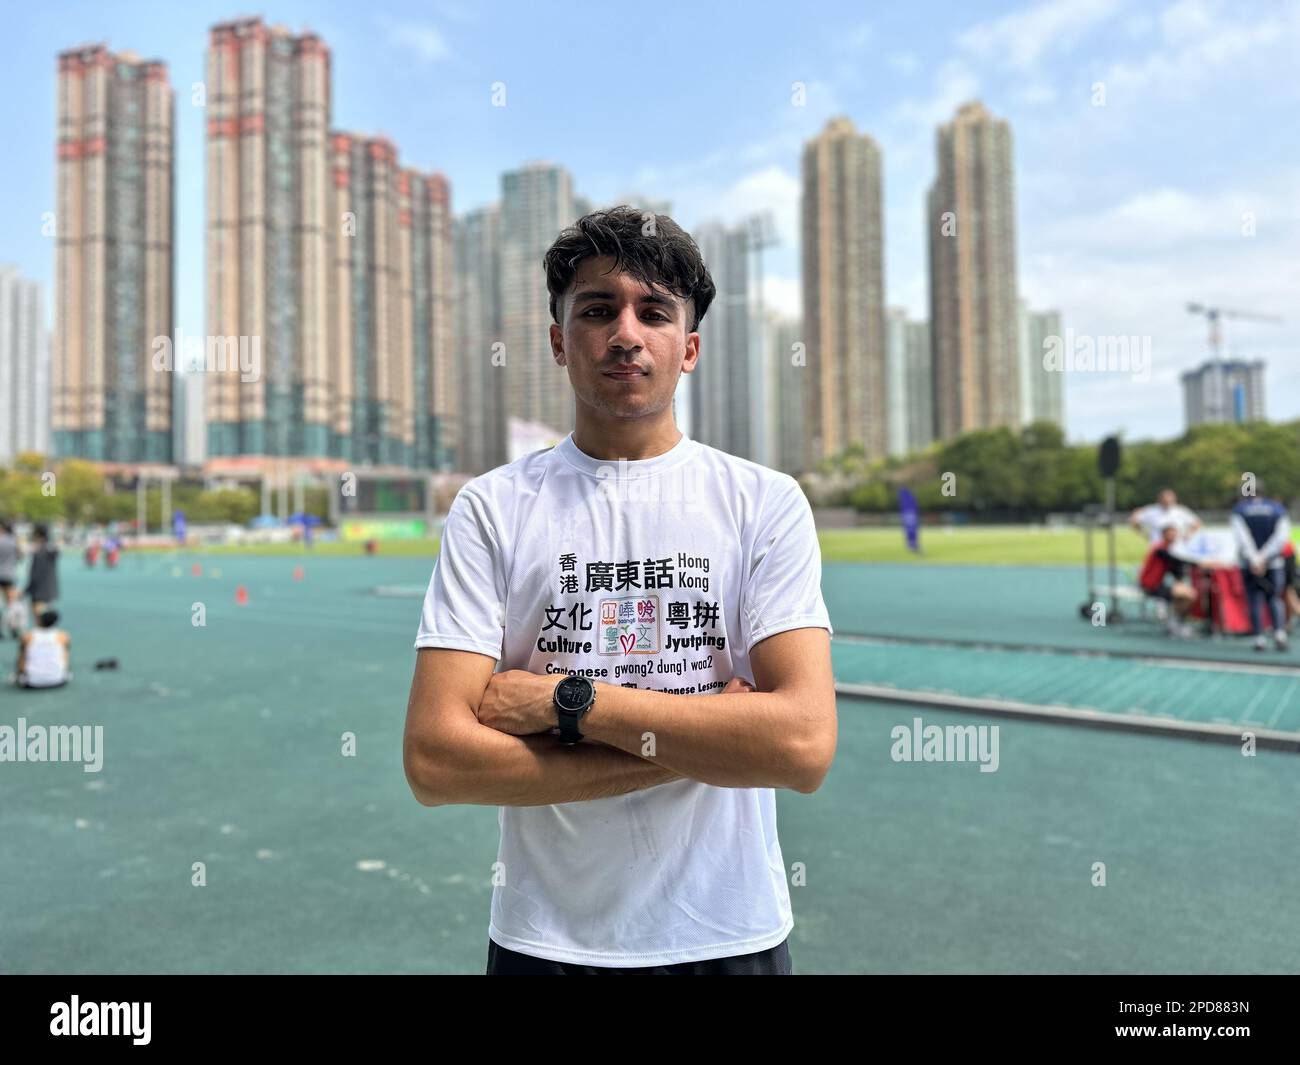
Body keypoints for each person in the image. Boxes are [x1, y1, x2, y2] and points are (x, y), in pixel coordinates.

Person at [404, 206, 835, 976]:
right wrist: (709, 737)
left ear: (689, 347)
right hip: (549, 942)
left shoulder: (763, 503)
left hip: (727, 936)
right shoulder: (493, 506)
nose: (626, 332)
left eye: (655, 312)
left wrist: (569, 705)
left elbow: (801, 746)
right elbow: (436, 760)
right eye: (598, 309)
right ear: (560, 341)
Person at [1230, 483, 1291, 651]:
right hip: (1273, 562)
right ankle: (1280, 634)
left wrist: (1255, 559)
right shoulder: (1276, 509)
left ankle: (1259, 637)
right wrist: (1265, 557)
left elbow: (1242, 538)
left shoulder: (1240, 510)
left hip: (1250, 564)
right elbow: (1281, 538)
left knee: (1254, 600)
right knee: (1274, 598)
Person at [1138, 523, 1198, 637]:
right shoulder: (1160, 549)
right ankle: (1177, 623)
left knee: (1186, 593)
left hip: (1156, 584)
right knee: (1189, 595)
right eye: (1170, 534)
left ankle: (1176, 621)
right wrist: (1199, 563)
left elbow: (1175, 568)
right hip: (1150, 586)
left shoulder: (1167, 549)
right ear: (1163, 535)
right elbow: (1175, 561)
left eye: (1175, 534)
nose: (1173, 536)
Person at [16, 608, 71, 689]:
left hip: (31, 682)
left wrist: (20, 674)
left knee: (22, 654)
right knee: (64, 652)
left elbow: (22, 658)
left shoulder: (27, 636)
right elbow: (65, 657)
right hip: (58, 680)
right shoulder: (63, 636)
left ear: (39, 620)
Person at [1130, 489, 1200, 546]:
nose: (1167, 502)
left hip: (1177, 546)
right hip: (1157, 545)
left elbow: (1196, 523)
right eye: (1165, 500)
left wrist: (1188, 535)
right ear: (1160, 500)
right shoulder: (1152, 510)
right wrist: (1144, 534)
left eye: (1170, 500)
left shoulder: (1180, 511)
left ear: (1174, 500)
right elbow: (1135, 519)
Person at [25, 524, 60, 617]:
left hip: (39, 590)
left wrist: (27, 589)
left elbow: (36, 573)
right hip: (49, 589)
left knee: (39, 617)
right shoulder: (49, 549)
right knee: (46, 616)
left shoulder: (40, 551)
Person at [0, 519, 20, 640]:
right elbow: (19, 555)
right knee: (11, 604)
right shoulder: (13, 541)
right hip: (9, 574)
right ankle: (13, 627)